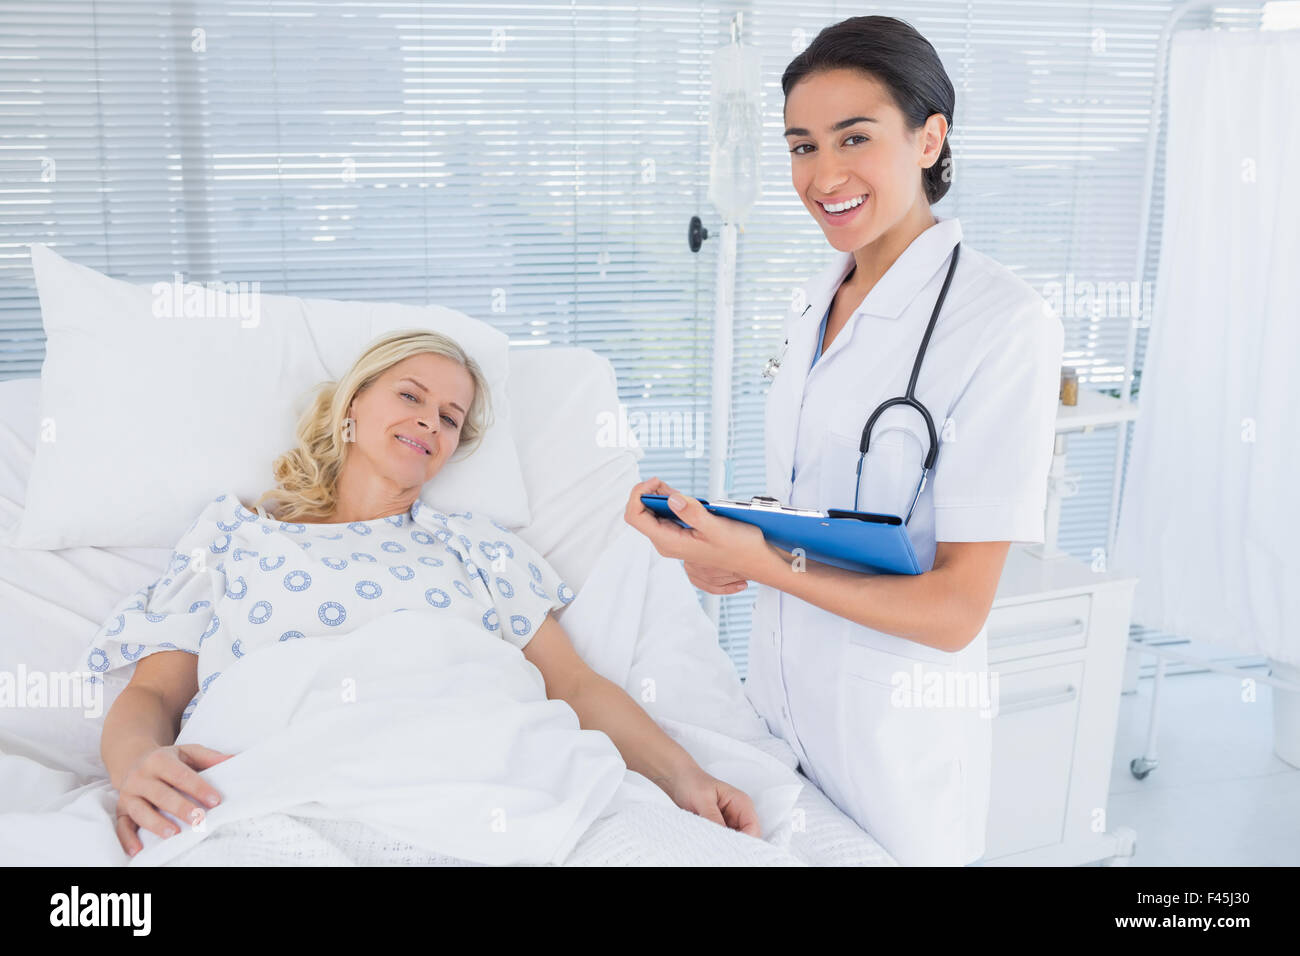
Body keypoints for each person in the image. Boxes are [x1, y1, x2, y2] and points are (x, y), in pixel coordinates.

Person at [625, 15, 1064, 866]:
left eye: (853, 137)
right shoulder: (810, 301)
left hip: (893, 741)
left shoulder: (1002, 322)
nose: (823, 175)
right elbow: (816, 515)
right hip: (778, 720)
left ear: (930, 136)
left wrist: (762, 563)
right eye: (801, 146)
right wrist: (719, 548)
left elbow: (954, 611)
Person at [90, 328, 759, 858]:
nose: (430, 423)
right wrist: (136, 766)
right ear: (354, 403)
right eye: (410, 397)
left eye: (450, 417)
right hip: (273, 784)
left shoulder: (478, 546)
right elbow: (152, 694)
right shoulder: (233, 535)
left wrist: (686, 778)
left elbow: (576, 688)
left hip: (487, 780)